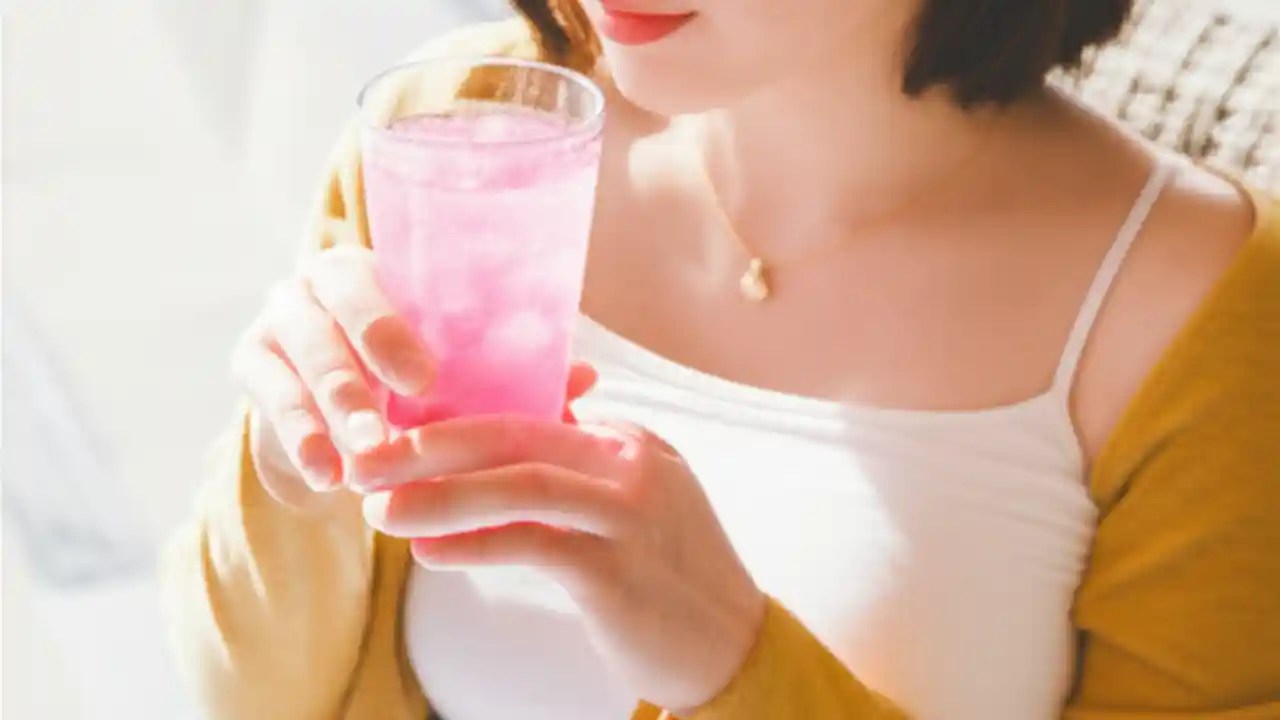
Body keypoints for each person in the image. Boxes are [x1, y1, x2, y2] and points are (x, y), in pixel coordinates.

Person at [161, 1, 1280, 718]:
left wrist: (728, 659)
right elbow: (250, 695)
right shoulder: (465, 126)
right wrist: (289, 478)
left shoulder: (1195, 305)